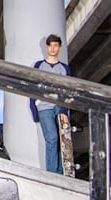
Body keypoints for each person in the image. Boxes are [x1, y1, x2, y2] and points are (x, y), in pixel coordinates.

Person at [30, 33, 71, 174]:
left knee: (61, 139)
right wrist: (34, 111)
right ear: (47, 47)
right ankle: (53, 173)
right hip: (44, 106)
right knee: (52, 138)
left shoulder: (64, 68)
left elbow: (67, 91)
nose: (53, 48)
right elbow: (33, 89)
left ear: (59, 48)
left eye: (56, 45)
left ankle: (61, 172)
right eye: (50, 45)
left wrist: (64, 111)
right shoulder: (38, 66)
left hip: (59, 106)